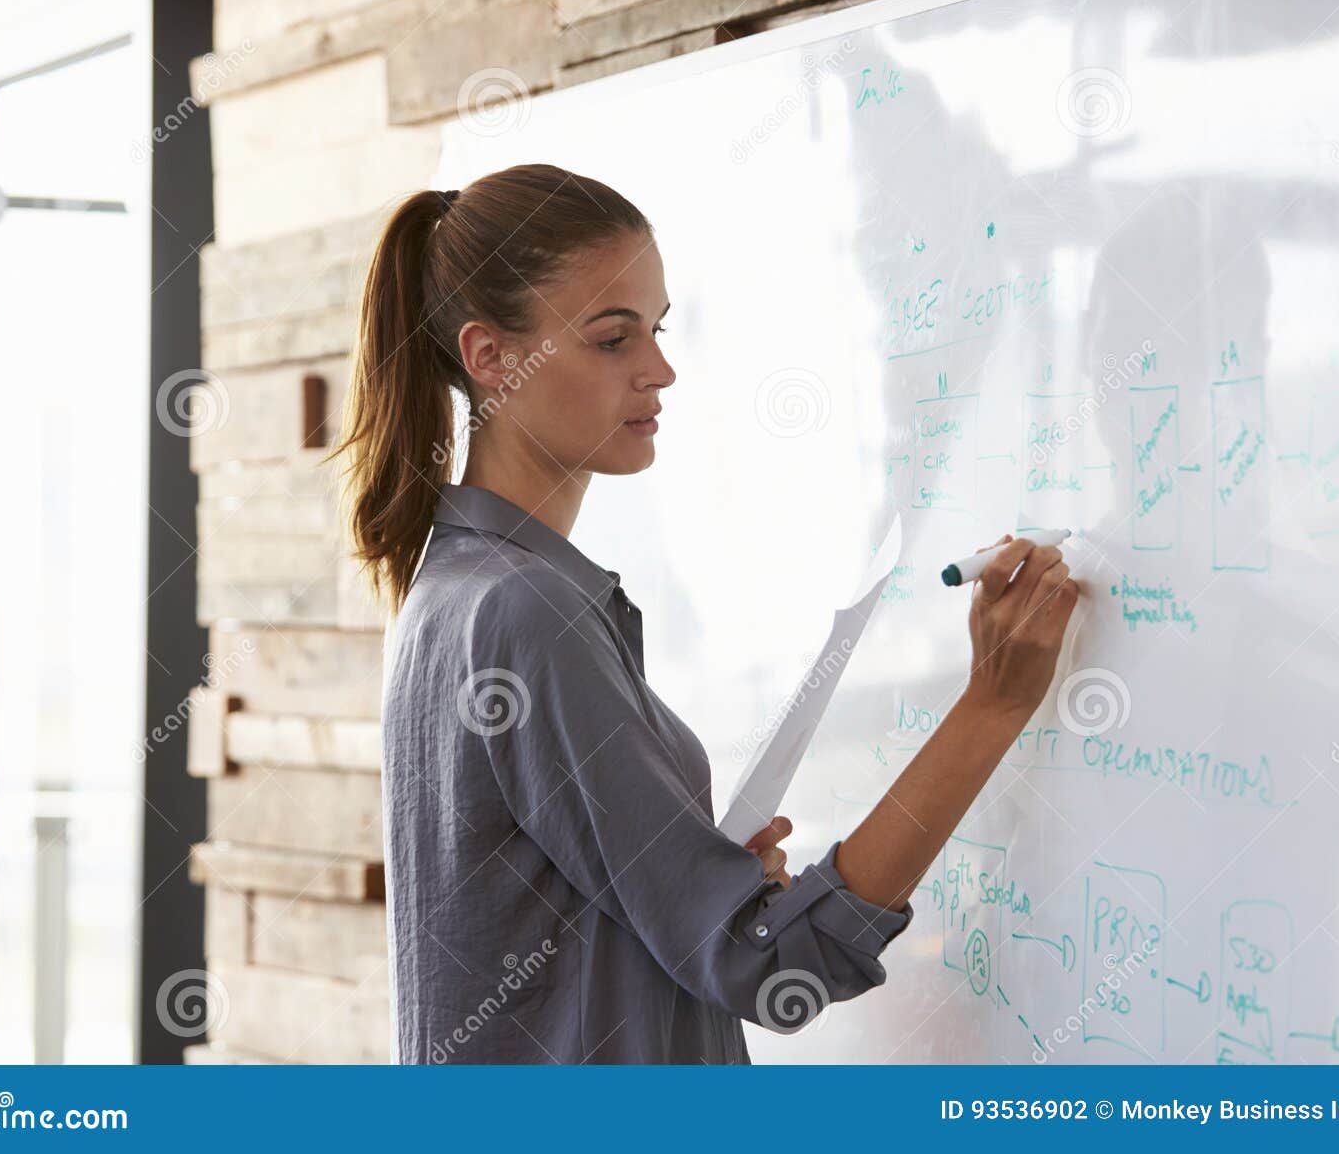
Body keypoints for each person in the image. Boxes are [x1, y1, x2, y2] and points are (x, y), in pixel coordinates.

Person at [330, 163, 1078, 1064]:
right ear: (491, 357)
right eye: (613, 340)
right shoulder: (524, 613)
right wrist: (991, 703)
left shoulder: (453, 590)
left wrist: (699, 874)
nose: (661, 368)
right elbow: (773, 968)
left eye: (657, 328)